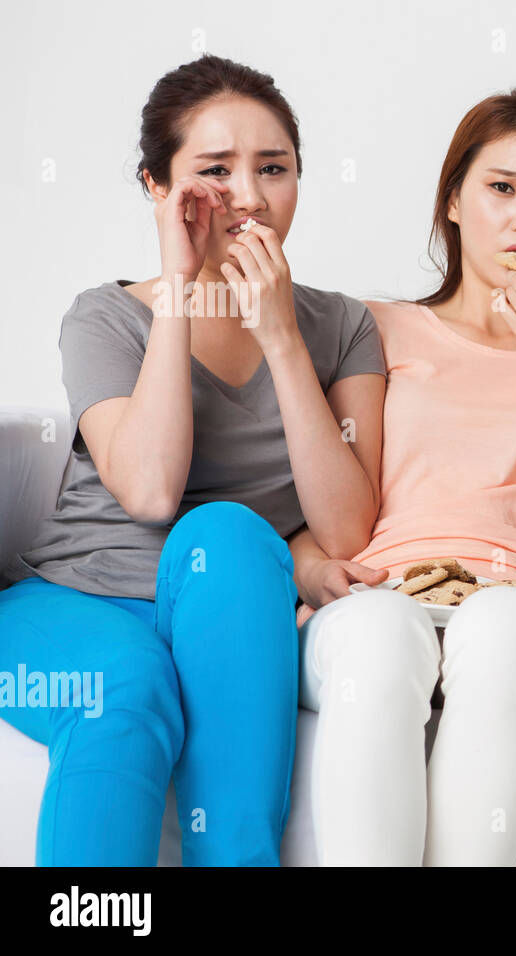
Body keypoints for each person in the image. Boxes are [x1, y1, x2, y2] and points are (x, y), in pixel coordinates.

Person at [0, 55, 386, 865]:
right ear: (157, 188)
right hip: (77, 601)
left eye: (273, 168)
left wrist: (279, 335)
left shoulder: (342, 327)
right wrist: (179, 285)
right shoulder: (104, 317)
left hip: (230, 603)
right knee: (126, 688)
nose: (248, 196)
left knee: (233, 537)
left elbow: (347, 525)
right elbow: (145, 488)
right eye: (214, 171)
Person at [288, 89, 516, 865]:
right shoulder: (375, 328)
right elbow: (339, 507)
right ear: (455, 203)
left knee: (498, 624)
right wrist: (305, 563)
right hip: (383, 595)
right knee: (380, 628)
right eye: (502, 188)